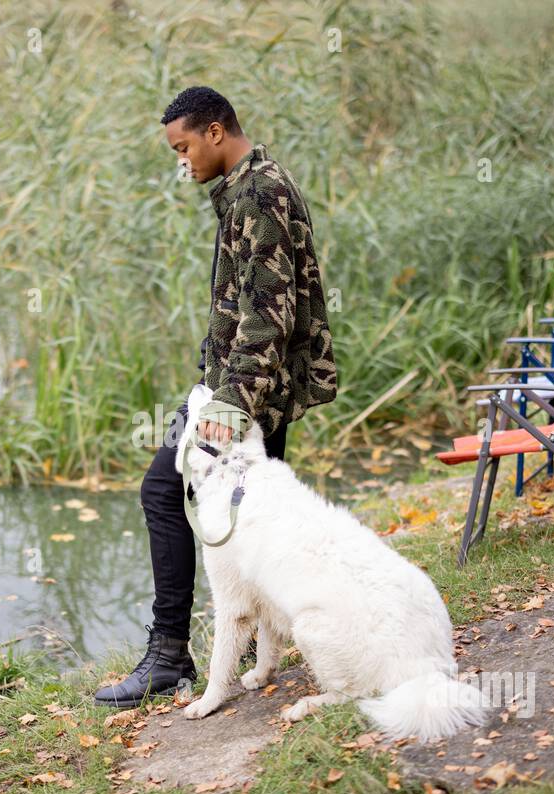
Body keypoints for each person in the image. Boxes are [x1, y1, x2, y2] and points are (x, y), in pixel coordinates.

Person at [93, 86, 337, 707]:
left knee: (163, 489)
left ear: (216, 132)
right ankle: (264, 635)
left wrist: (229, 404)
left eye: (184, 148)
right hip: (242, 382)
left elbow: (271, 313)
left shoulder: (260, 193)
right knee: (253, 512)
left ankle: (169, 655)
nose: (182, 161)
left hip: (244, 391)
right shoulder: (247, 187)